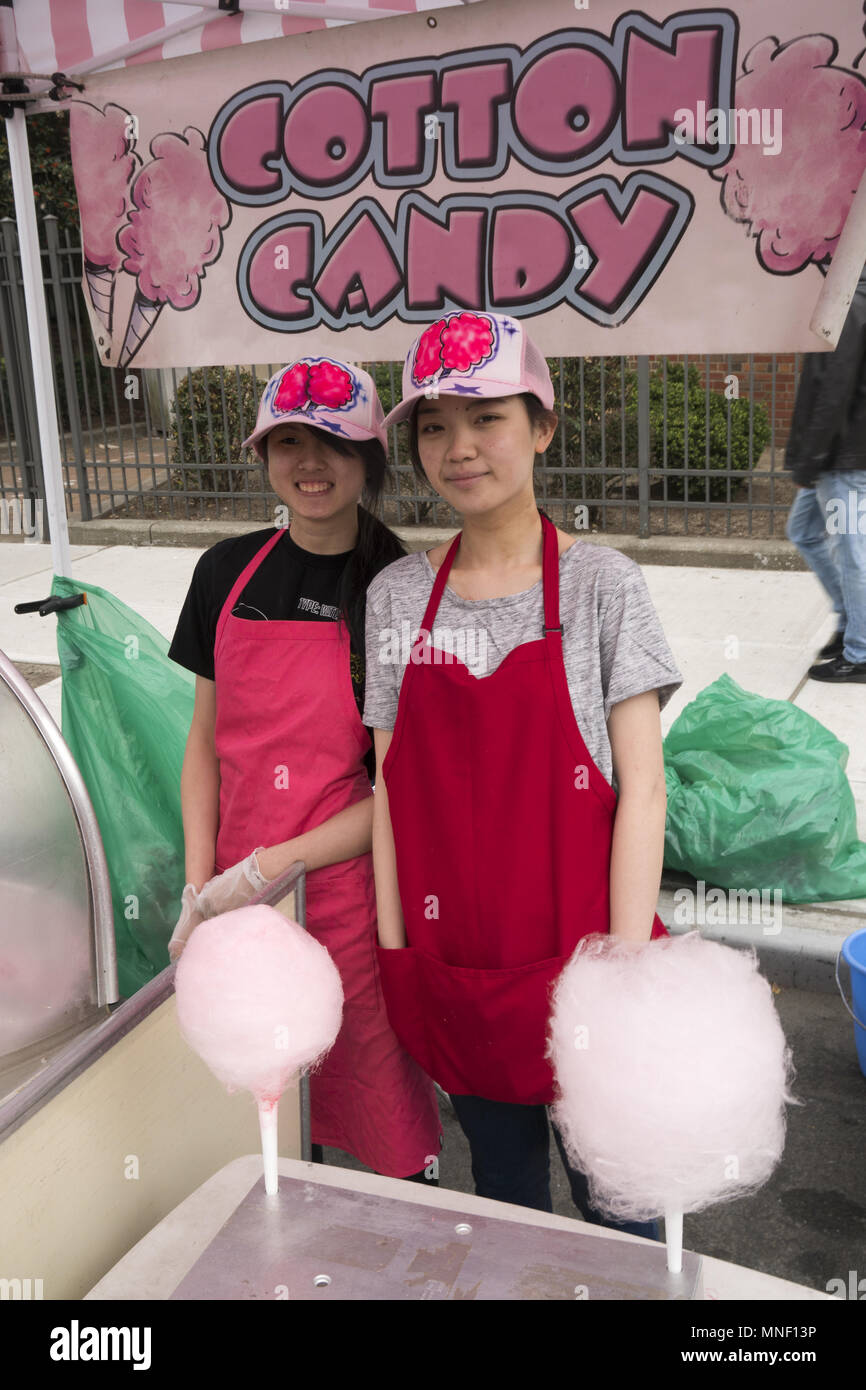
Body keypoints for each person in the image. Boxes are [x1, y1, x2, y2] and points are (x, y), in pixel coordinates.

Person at [364, 311, 684, 1236]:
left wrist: (621, 976)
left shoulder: (602, 587)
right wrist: (396, 955)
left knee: (620, 1212)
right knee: (509, 1209)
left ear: (542, 428)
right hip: (456, 973)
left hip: (588, 969)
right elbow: (391, 790)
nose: (458, 448)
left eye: (487, 419)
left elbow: (644, 792)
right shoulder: (396, 597)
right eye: (433, 426)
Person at [167, 356, 442, 1183]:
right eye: (288, 442)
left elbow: (400, 788)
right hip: (233, 896)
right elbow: (203, 746)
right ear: (261, 457)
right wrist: (200, 887)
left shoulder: (401, 587)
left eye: (334, 442)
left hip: (349, 891)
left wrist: (274, 865)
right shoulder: (224, 571)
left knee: (371, 1091)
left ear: (370, 461)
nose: (310, 464)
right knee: (263, 1114)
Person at [785, 260, 866, 683]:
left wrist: (810, 458)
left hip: (843, 459)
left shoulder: (850, 305)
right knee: (803, 531)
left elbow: (834, 389)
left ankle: (861, 652)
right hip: (836, 457)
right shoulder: (844, 303)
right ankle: (850, 621)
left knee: (854, 553)